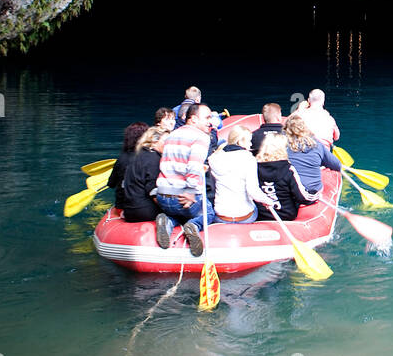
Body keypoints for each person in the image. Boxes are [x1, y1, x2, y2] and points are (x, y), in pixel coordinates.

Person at [153, 103, 217, 255]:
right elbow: (194, 167)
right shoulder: (201, 137)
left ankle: (168, 221)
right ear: (193, 119)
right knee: (208, 212)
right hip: (182, 197)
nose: (211, 122)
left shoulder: (172, 134)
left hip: (162, 197)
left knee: (177, 213)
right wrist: (190, 192)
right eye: (207, 117)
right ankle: (194, 226)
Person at [208, 125, 276, 223]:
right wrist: (268, 201)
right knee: (255, 208)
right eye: (249, 141)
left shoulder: (214, 158)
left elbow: (213, 188)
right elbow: (253, 191)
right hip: (244, 216)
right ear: (240, 142)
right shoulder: (248, 158)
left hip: (221, 215)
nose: (251, 144)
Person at [255, 133, 319, 222]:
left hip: (261, 216)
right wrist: (315, 194)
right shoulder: (288, 169)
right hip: (285, 215)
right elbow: (301, 197)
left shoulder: (254, 167)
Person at [283, 113, 342, 195]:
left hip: (288, 189)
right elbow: (337, 166)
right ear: (305, 128)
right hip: (312, 190)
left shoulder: (280, 145)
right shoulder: (317, 144)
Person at [117, 127, 165, 223]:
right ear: (154, 141)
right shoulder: (154, 159)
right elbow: (152, 190)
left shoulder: (137, 155)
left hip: (129, 211)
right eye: (165, 141)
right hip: (145, 212)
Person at [107, 122, 149, 193]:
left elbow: (111, 184)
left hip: (122, 201)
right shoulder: (149, 157)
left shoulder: (121, 159)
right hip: (142, 199)